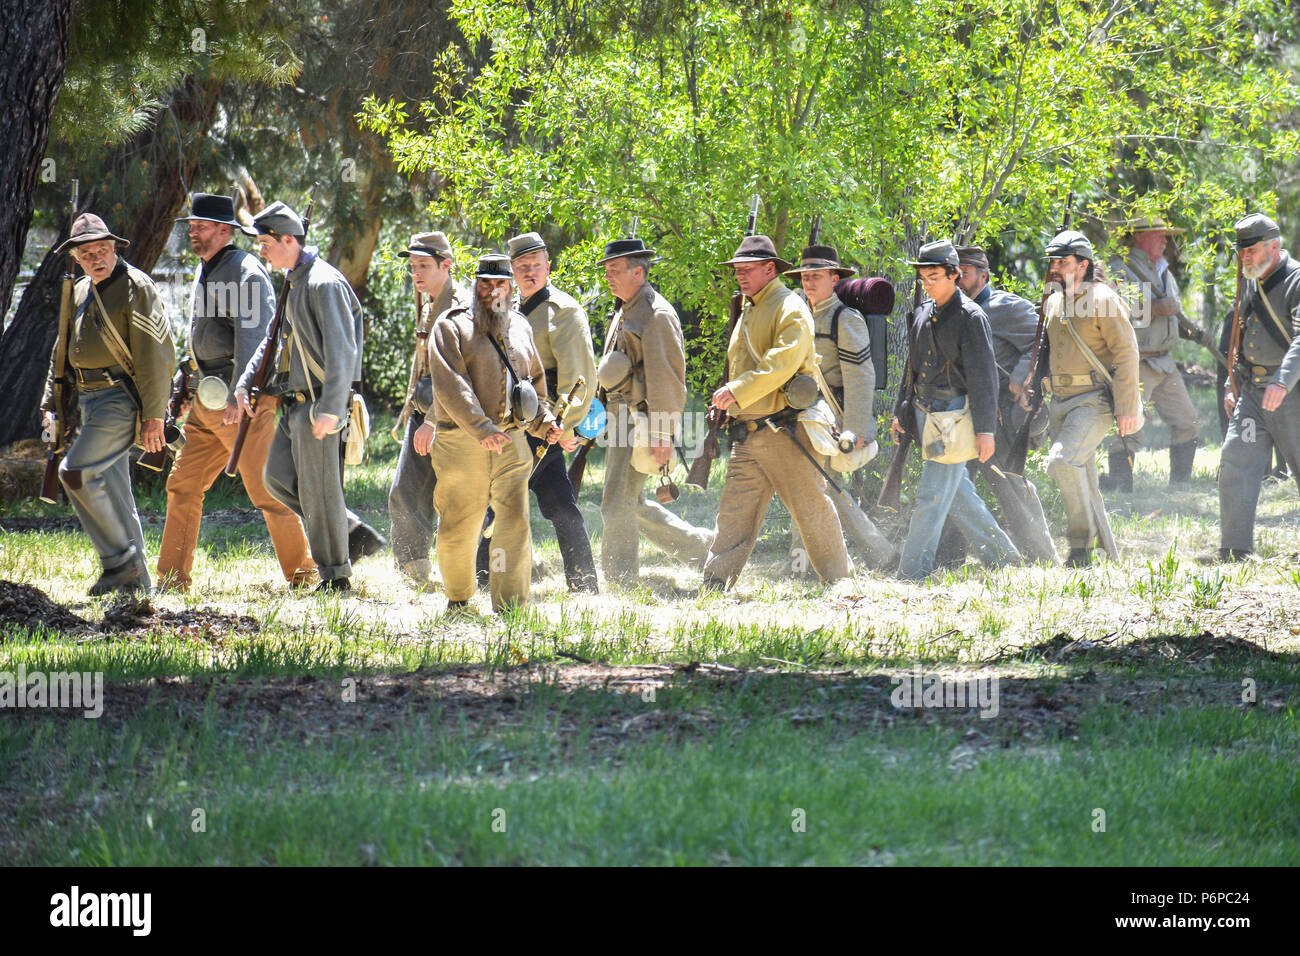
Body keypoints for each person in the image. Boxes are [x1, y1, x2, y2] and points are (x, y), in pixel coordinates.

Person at [156, 193, 315, 591]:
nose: (194, 231)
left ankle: (306, 576)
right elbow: (202, 340)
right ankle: (172, 581)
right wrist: (187, 385)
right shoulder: (207, 269)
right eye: (191, 226)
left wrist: (239, 397)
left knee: (267, 491)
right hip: (206, 403)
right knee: (183, 485)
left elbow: (255, 340)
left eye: (202, 226)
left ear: (224, 231)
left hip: (240, 404)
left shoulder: (243, 271)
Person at [234, 200, 375, 592]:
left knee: (318, 491)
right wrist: (246, 382)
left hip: (318, 406)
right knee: (276, 480)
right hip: (293, 405)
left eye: (265, 242)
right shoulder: (294, 281)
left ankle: (336, 577)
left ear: (288, 240)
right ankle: (343, 527)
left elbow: (343, 350)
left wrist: (331, 409)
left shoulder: (323, 282)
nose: (260, 250)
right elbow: (273, 339)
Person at [700, 234, 852, 589]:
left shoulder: (789, 306)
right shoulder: (751, 306)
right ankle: (715, 582)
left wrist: (735, 391)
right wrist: (729, 403)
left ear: (770, 269)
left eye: (748, 268)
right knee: (734, 513)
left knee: (811, 509)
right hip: (748, 431)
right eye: (737, 269)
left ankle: (840, 582)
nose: (740, 274)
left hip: (784, 431)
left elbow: (780, 365)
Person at [41, 213, 177, 594]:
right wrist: (54, 404)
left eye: (103, 249)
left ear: (114, 248)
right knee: (117, 495)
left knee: (75, 472)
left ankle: (118, 564)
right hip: (88, 401)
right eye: (87, 253)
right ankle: (139, 590)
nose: (97, 257)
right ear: (76, 258)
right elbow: (62, 351)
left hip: (121, 400)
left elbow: (157, 355)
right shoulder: (80, 290)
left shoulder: (137, 286)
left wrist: (153, 415)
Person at [423, 253, 557, 612]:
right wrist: (481, 428)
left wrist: (545, 422)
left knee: (513, 524)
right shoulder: (451, 327)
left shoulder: (521, 325)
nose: (492, 290)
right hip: (461, 442)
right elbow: (451, 386)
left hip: (512, 441)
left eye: (500, 283)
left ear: (510, 286)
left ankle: (509, 605)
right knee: (460, 526)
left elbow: (534, 383)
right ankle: (460, 598)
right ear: (475, 284)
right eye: (485, 282)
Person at [469, 232, 600, 593]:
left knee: (513, 503)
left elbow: (579, 377)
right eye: (522, 267)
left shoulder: (565, 312)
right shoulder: (511, 311)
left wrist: (563, 424)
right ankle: (582, 582)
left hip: (545, 424)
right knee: (553, 501)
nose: (530, 273)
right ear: (512, 271)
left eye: (536, 265)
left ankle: (484, 580)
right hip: (516, 421)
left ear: (548, 265)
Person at [891, 240, 1020, 580]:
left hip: (955, 416)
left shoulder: (970, 317)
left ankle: (911, 574)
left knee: (932, 495)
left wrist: (985, 431)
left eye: (934, 276)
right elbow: (912, 370)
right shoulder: (922, 313)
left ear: (954, 274)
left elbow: (984, 378)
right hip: (925, 411)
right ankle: (1005, 559)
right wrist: (900, 411)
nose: (927, 283)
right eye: (923, 277)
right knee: (959, 495)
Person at [595, 236, 714, 586]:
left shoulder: (655, 314)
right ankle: (698, 547)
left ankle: (619, 578)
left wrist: (662, 434)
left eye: (614, 270)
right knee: (631, 500)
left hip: (643, 421)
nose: (608, 276)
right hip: (622, 418)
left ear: (638, 272)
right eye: (607, 270)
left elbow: (669, 381)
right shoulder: (626, 308)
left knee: (617, 501)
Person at [783, 242, 897, 572]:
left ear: (835, 278)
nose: (808, 281)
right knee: (817, 491)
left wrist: (857, 428)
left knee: (818, 491)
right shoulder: (797, 314)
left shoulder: (844, 319)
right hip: (798, 416)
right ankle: (877, 555)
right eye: (805, 275)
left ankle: (803, 566)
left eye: (816, 275)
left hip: (829, 420)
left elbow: (861, 376)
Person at [1033, 230, 1140, 567]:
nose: (1055, 268)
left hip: (1094, 401)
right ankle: (1108, 553)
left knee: (1062, 463)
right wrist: (1033, 391)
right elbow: (1044, 352)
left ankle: (1080, 549)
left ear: (1083, 264)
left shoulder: (1104, 299)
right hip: (1060, 402)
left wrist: (1126, 408)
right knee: (1085, 480)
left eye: (1062, 261)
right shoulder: (1052, 300)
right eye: (1053, 261)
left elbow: (1127, 353)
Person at [954, 244, 1056, 563]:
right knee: (954, 484)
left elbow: (1044, 340)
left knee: (1008, 483)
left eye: (965, 274)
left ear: (983, 276)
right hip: (963, 412)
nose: (958, 280)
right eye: (954, 273)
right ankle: (947, 557)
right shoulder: (950, 310)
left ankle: (1042, 556)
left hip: (1000, 413)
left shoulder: (1005, 306)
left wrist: (1020, 374)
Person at [1214, 212, 1300, 561]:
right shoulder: (1249, 281)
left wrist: (1283, 380)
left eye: (1251, 251)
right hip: (1253, 391)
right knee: (1236, 458)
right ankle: (1235, 548)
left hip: (1291, 393)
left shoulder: (1296, 280)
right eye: (1242, 252)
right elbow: (1240, 337)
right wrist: (1232, 385)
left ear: (1274, 246)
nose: (1244, 258)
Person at [1101, 216, 1200, 490]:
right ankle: (1122, 487)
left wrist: (1190, 330)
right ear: (1137, 237)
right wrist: (1157, 307)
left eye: (1166, 235)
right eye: (1158, 234)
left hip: (1164, 363)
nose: (1165, 239)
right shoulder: (1119, 270)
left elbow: (1172, 311)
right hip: (1136, 363)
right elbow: (1115, 314)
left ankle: (1180, 485)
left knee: (1188, 421)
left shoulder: (1164, 271)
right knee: (1128, 428)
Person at [390, 231, 463, 585]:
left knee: (457, 498)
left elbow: (458, 372)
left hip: (449, 418)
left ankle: (483, 569)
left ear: (445, 265)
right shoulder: (429, 300)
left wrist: (432, 421)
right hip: (426, 412)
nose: (415, 273)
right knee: (407, 491)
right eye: (412, 266)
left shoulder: (457, 305)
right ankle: (413, 570)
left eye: (423, 266)